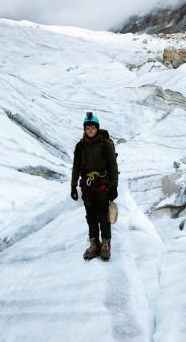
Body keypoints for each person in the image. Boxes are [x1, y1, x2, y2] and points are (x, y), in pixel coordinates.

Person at [70, 112, 118, 261]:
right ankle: (94, 243)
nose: (90, 129)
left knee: (103, 215)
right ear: (84, 129)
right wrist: (73, 186)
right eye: (88, 127)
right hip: (87, 187)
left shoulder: (106, 144)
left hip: (103, 185)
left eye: (93, 127)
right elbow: (76, 166)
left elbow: (113, 166)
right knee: (90, 216)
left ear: (97, 128)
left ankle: (105, 244)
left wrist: (114, 186)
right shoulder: (80, 146)